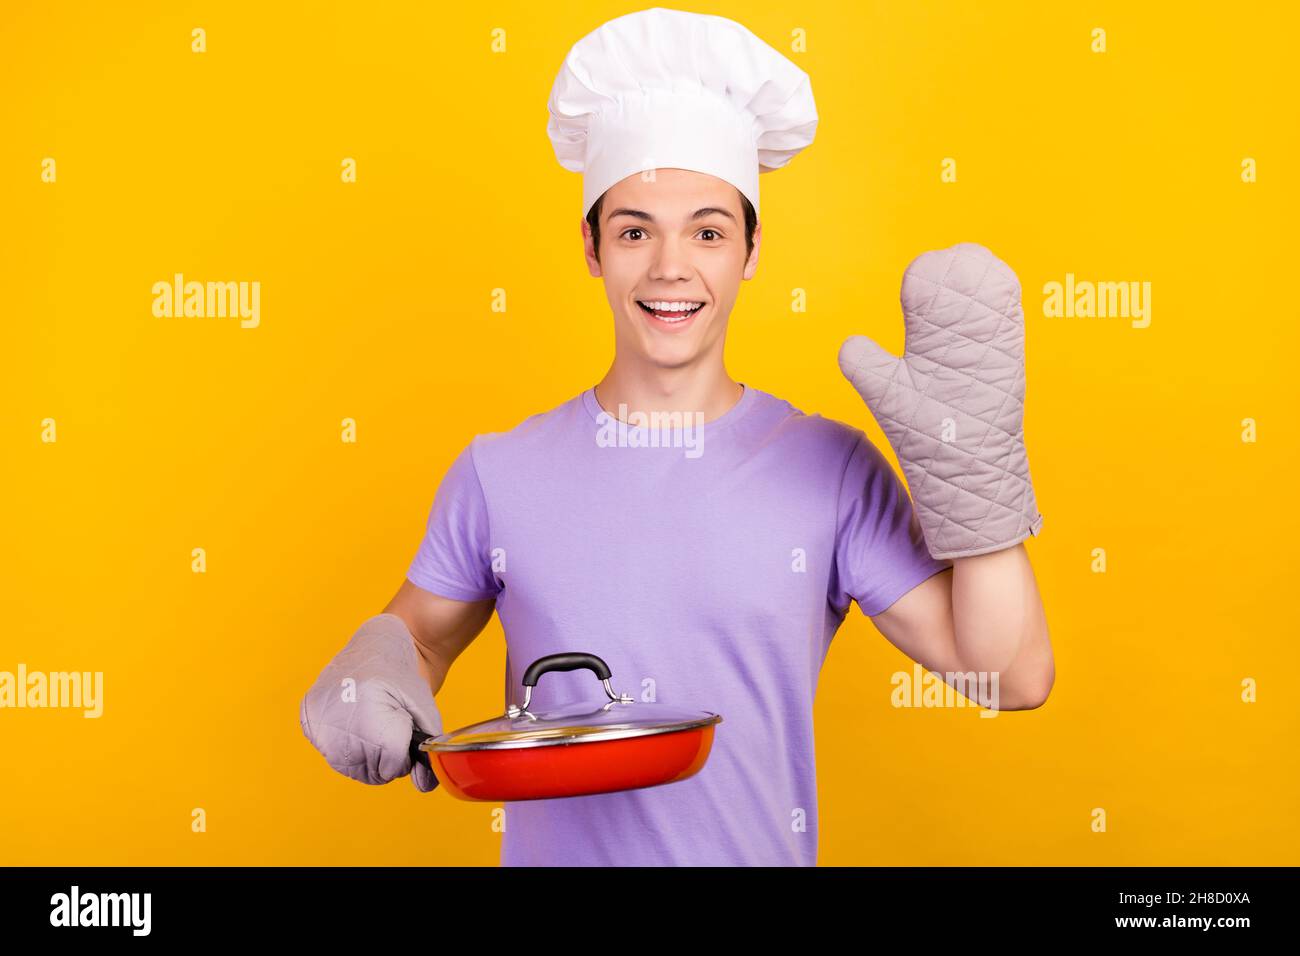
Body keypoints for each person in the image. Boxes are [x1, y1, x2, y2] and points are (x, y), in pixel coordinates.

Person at [299, 7, 1053, 866]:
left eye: (707, 230)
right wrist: (374, 669)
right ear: (590, 247)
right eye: (633, 231)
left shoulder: (829, 469)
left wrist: (976, 483)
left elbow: (1012, 676)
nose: (670, 268)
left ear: (752, 249)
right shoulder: (497, 473)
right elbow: (424, 635)